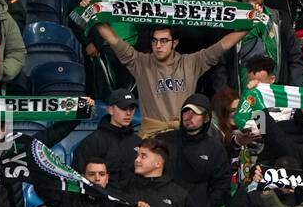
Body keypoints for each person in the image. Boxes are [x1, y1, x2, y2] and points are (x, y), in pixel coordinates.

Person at [93, 17, 247, 137]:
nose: (158, 46)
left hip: (183, 136)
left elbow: (223, 45)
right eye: (155, 41)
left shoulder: (191, 62)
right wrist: (95, 15)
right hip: (151, 138)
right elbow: (113, 39)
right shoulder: (140, 62)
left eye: (164, 41)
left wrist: (251, 22)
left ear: (175, 43)